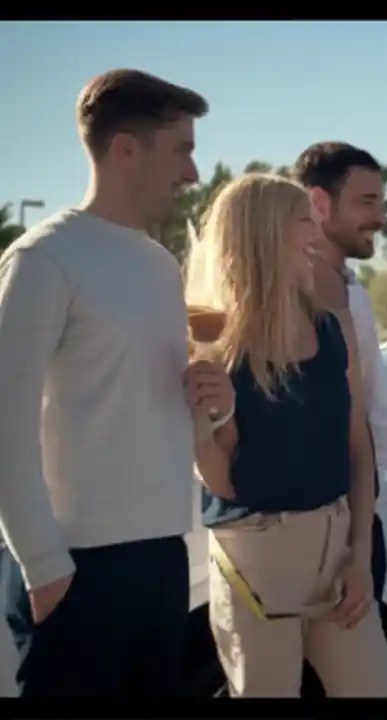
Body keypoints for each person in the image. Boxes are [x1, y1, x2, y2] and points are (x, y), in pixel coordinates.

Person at [0, 68, 224, 697]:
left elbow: (148, 410)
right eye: (181, 149)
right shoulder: (43, 260)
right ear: (126, 149)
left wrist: (213, 408)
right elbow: (4, 427)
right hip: (74, 571)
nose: (193, 173)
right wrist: (46, 572)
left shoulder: (159, 265)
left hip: (161, 561)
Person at [183, 173, 387, 698]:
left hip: (336, 554)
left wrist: (360, 557)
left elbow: (359, 448)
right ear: (264, 234)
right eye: (304, 219)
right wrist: (211, 419)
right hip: (256, 568)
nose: (317, 230)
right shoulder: (213, 345)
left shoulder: (333, 328)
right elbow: (225, 483)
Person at [291, 141, 387, 603]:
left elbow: (376, 401)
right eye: (367, 202)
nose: (381, 218)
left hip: (354, 525)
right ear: (319, 203)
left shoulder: (353, 294)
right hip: (292, 530)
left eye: (381, 202)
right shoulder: (281, 297)